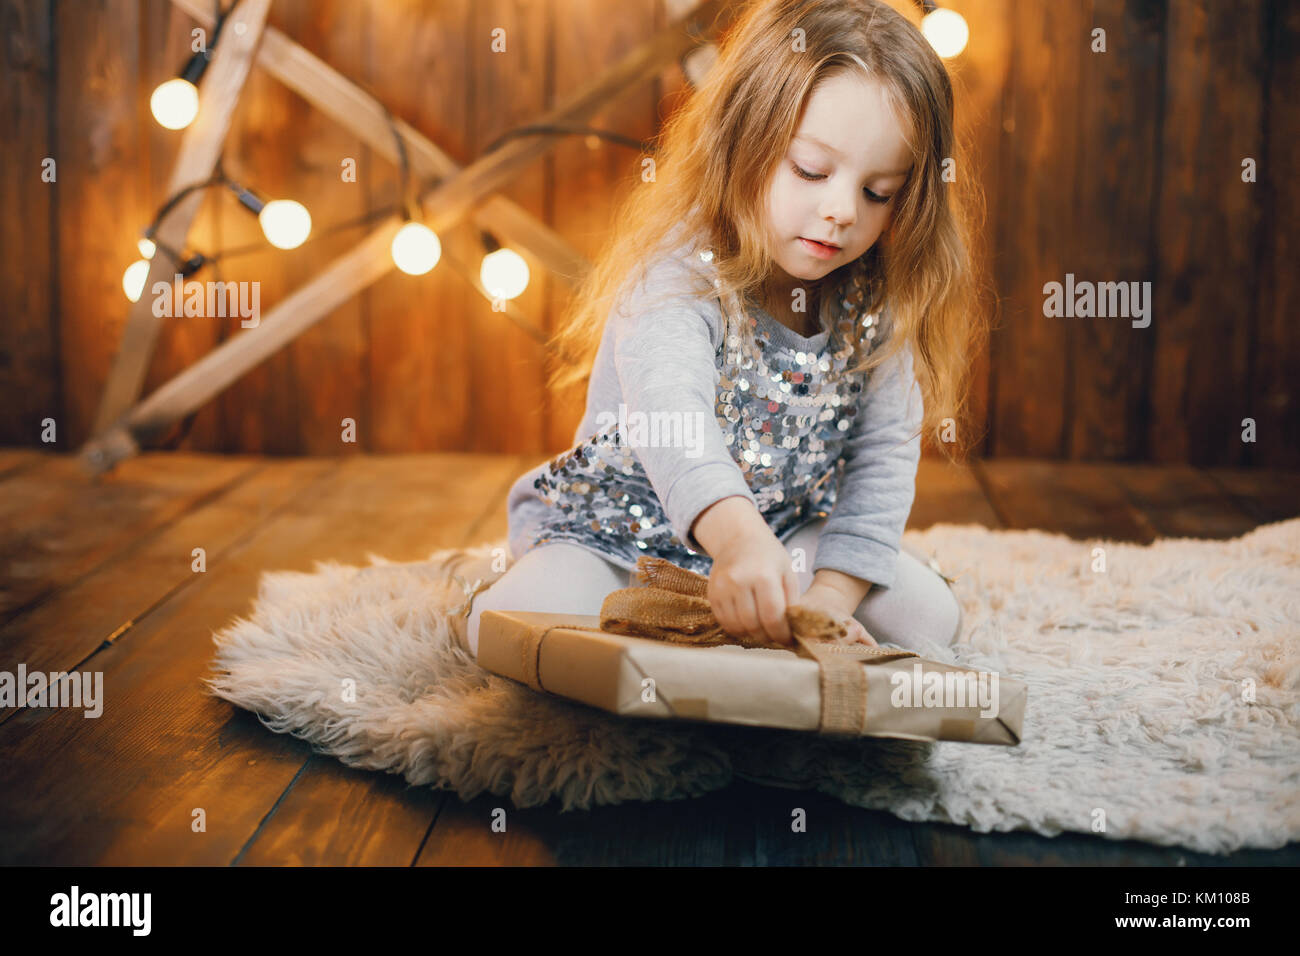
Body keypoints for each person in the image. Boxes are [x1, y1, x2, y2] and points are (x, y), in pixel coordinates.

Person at [461, 0, 988, 660]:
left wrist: (826, 599)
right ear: (744, 139)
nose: (841, 211)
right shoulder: (677, 275)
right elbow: (671, 416)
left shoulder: (880, 300)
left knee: (927, 615)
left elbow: (882, 466)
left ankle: (747, 622)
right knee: (512, 623)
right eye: (810, 170)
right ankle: (645, 618)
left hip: (777, 543)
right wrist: (735, 540)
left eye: (878, 192)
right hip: (617, 538)